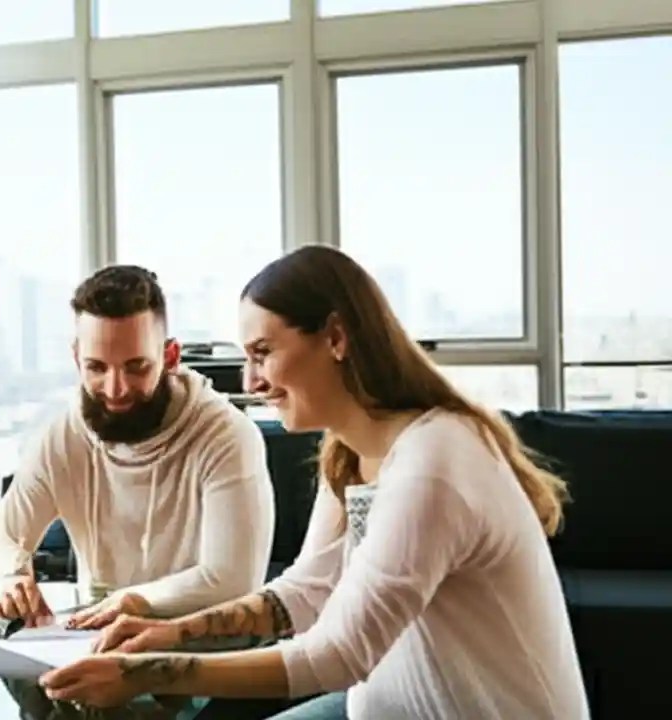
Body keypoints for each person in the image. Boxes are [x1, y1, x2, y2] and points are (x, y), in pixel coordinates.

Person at [37, 246, 589, 719]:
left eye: (263, 353)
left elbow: (336, 655)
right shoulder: (349, 451)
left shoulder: (432, 464)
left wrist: (144, 673)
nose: (251, 382)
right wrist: (168, 632)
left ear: (336, 338)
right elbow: (309, 591)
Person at [0, 264, 275, 631]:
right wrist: (6, 579)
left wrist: (135, 600)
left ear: (170, 357)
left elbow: (233, 580)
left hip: (201, 653)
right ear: (76, 358)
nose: (115, 390)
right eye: (96, 367)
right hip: (95, 649)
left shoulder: (227, 436)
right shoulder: (64, 436)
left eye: (136, 367)